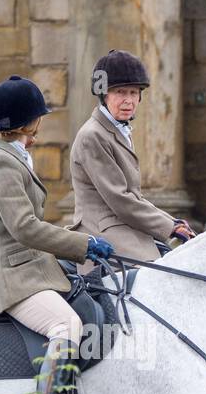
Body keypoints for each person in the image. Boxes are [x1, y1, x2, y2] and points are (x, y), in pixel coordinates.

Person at [0, 76, 115, 394]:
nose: (39, 128)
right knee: (66, 325)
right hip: (12, 275)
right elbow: (24, 227)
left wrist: (78, 249)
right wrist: (82, 244)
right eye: (37, 120)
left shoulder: (14, 155)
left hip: (34, 268)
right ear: (26, 122)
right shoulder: (0, 163)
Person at [69, 49, 193, 264]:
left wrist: (174, 222)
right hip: (104, 232)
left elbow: (134, 197)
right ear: (103, 94)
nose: (128, 100)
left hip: (125, 226)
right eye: (120, 92)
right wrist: (169, 228)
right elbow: (121, 200)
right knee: (160, 271)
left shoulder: (117, 130)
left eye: (134, 93)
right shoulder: (93, 136)